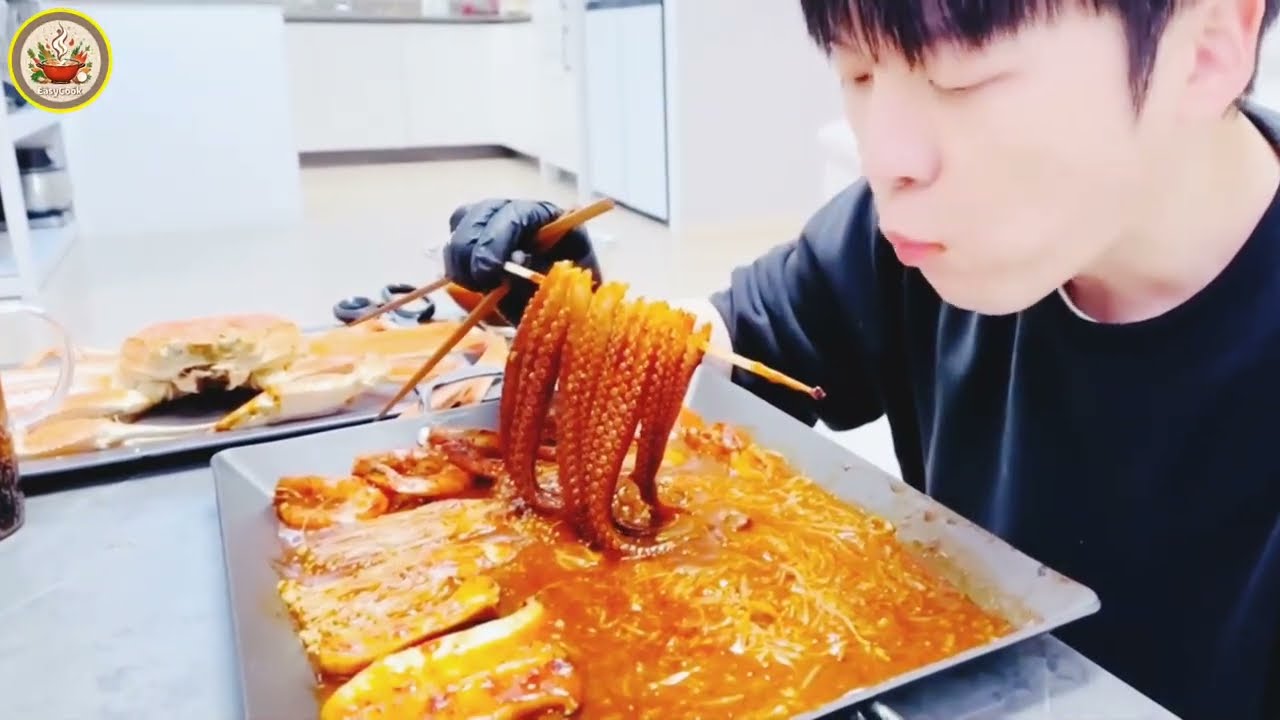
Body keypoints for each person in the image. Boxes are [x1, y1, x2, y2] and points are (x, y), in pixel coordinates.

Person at [442, 1, 1280, 717]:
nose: (888, 161)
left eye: (963, 78)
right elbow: (731, 349)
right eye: (859, 74)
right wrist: (570, 308)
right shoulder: (909, 237)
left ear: (1204, 47)